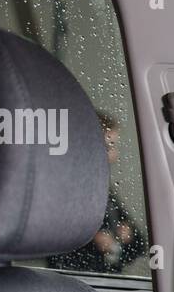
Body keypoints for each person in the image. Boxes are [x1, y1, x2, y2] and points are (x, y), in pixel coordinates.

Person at [48, 111, 148, 274]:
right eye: (108, 147)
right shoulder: (65, 192)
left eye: (114, 146)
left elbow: (139, 245)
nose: (114, 156)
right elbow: (57, 252)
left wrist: (125, 237)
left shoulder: (105, 191)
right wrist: (92, 243)